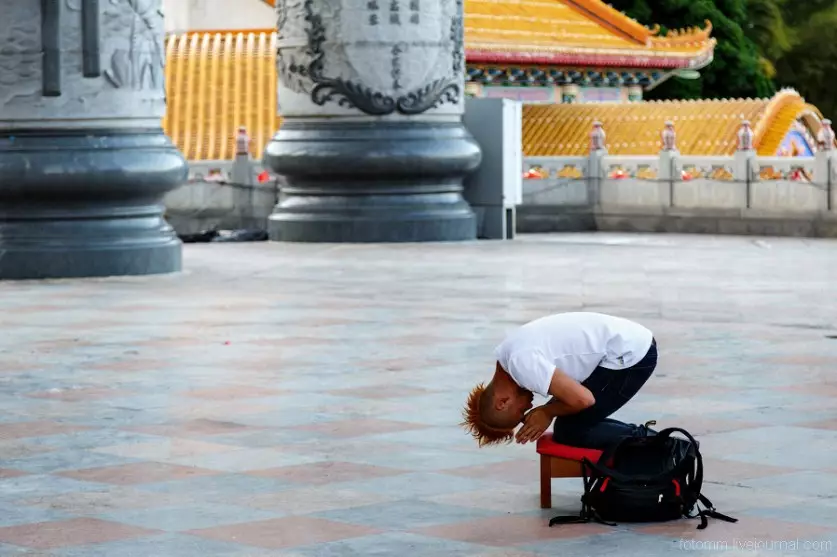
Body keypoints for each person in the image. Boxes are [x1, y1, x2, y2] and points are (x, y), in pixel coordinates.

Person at [461, 312, 658, 449]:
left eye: (522, 410)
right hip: (626, 342)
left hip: (630, 356)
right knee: (572, 421)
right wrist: (551, 411)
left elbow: (584, 400)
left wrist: (547, 412)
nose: (530, 406)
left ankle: (659, 445)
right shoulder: (506, 355)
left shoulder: (522, 365)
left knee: (571, 431)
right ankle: (645, 440)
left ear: (502, 403)